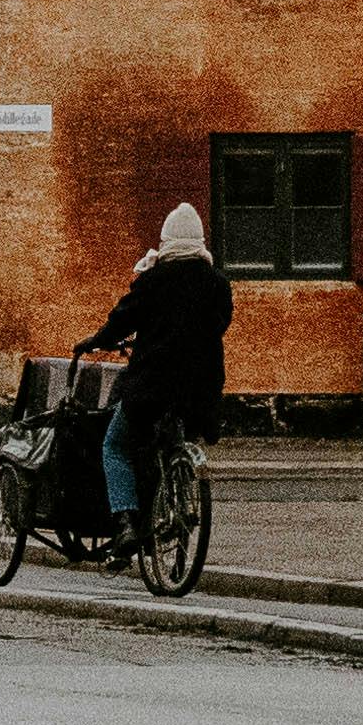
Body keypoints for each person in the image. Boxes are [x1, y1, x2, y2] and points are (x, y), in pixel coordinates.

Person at [76, 203, 231, 550]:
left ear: (166, 241)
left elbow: (121, 320)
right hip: (201, 388)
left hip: (153, 386)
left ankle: (126, 522)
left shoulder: (153, 281)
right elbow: (221, 323)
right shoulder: (218, 284)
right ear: (200, 241)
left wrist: (96, 341)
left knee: (115, 445)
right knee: (176, 437)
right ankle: (177, 491)